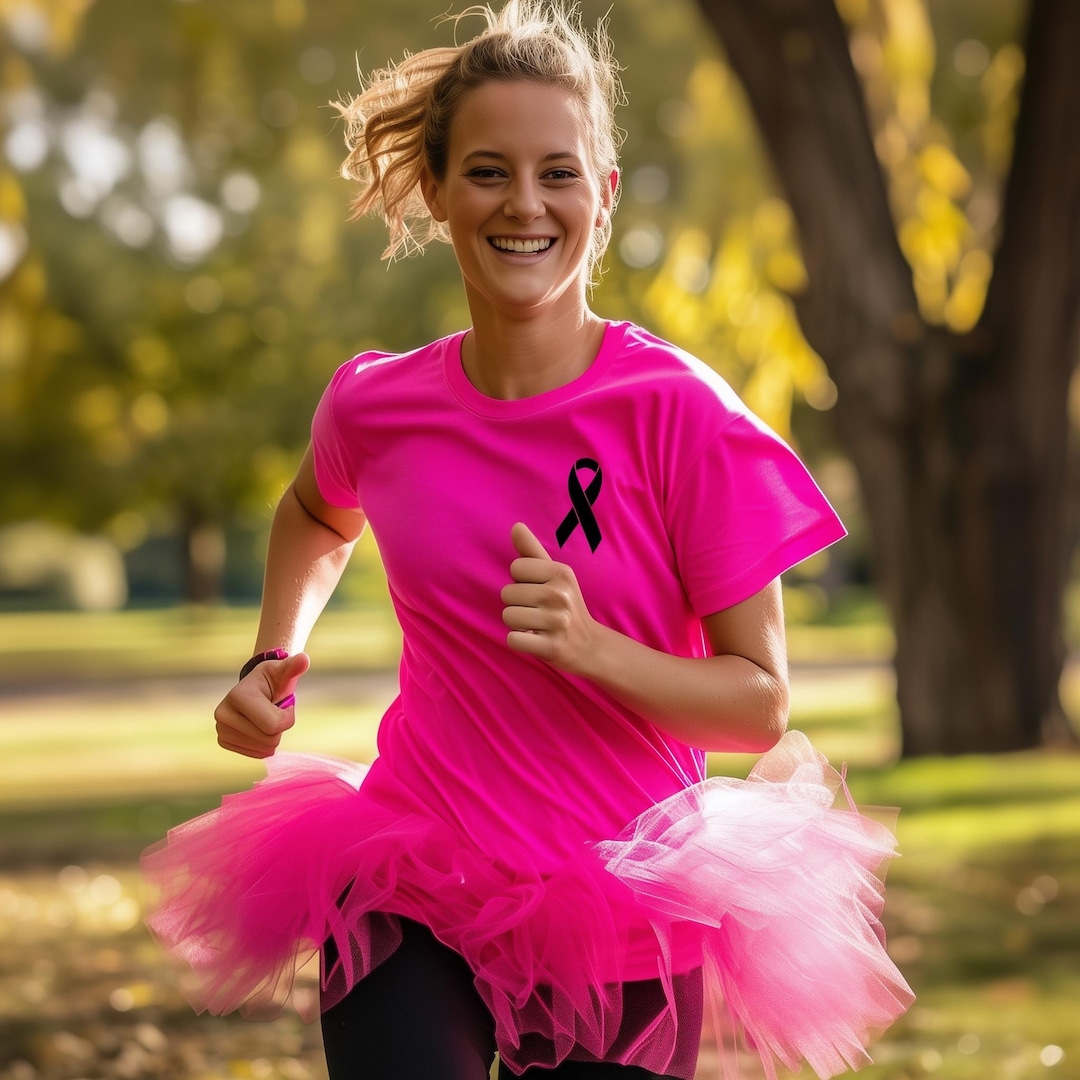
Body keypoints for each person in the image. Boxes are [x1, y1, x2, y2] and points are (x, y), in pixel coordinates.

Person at [142, 3, 914, 1078]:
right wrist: (272, 656)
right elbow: (316, 512)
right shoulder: (376, 406)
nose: (525, 204)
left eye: (558, 172)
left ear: (602, 194)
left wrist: (593, 648)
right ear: (440, 189)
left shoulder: (679, 413)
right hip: (415, 869)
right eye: (489, 171)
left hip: (619, 900)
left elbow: (757, 704)